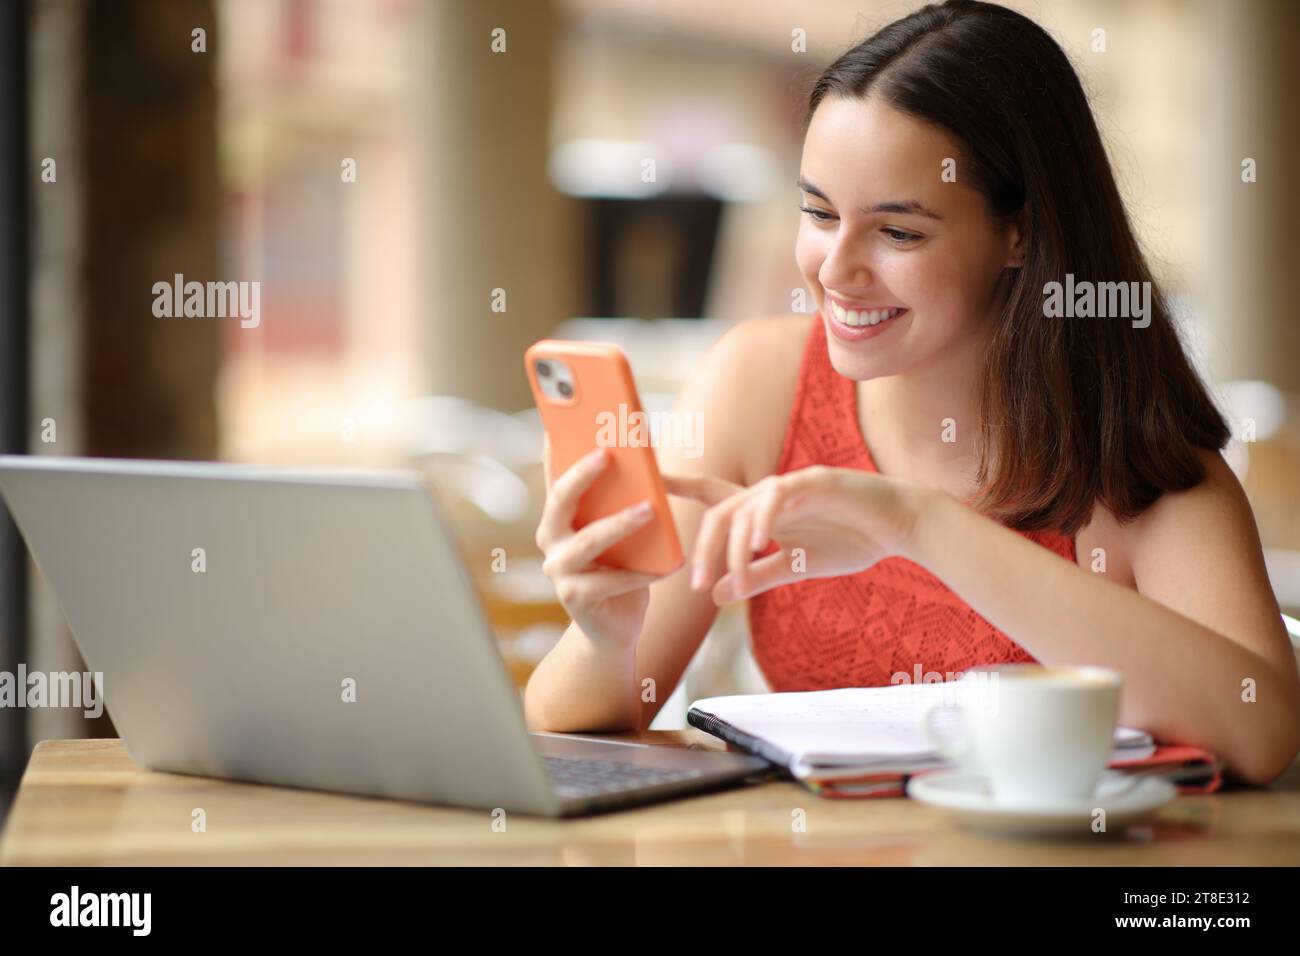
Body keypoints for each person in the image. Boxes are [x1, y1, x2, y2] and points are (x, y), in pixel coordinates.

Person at [523, 0, 1300, 786]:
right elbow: (570, 740)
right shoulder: (760, 384)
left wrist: (913, 524)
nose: (835, 269)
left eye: (898, 232)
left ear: (1020, 235)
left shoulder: (1133, 458)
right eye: (820, 213)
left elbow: (1261, 729)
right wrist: (606, 641)